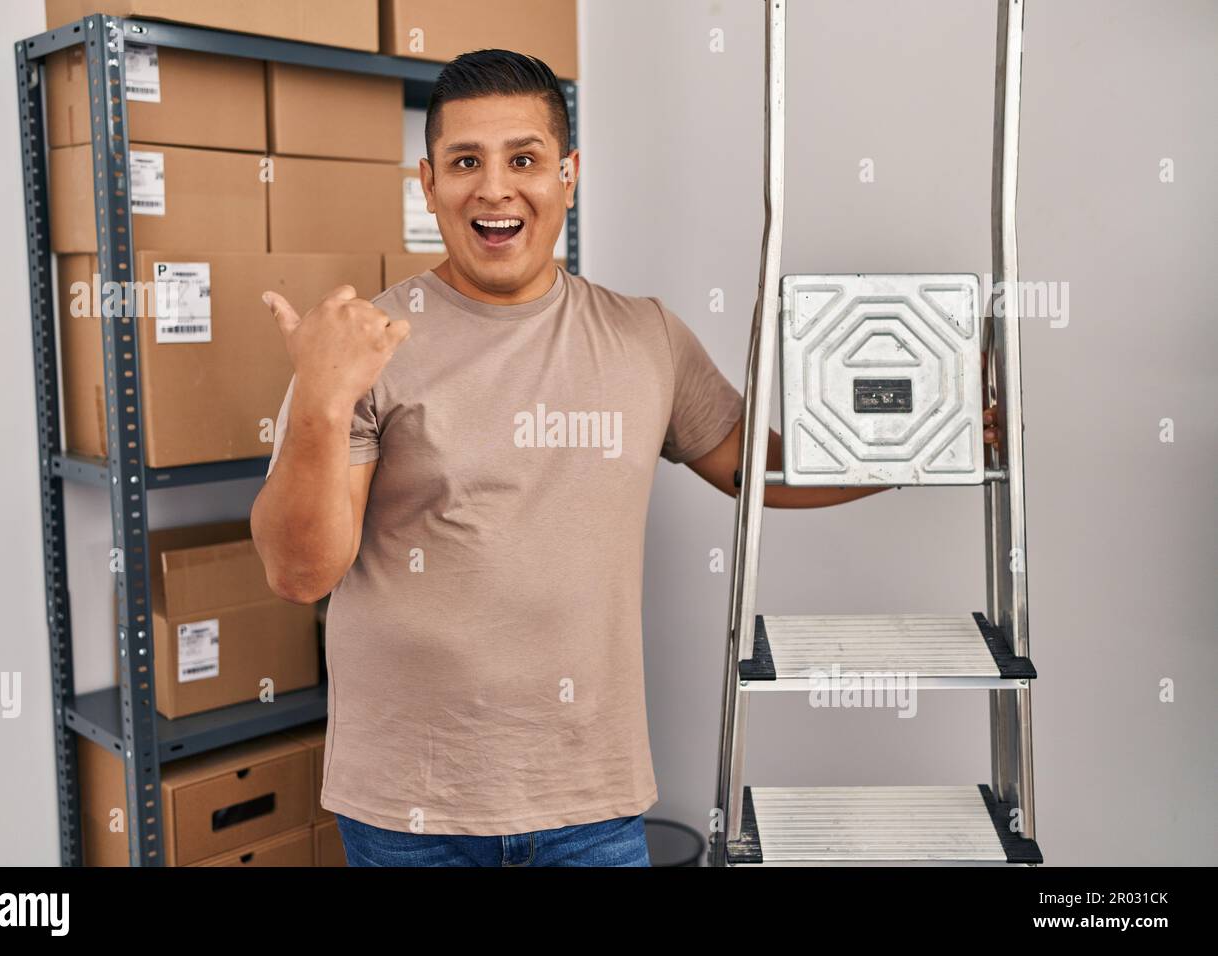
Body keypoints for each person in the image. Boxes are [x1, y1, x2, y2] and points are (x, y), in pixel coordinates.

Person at [250, 49, 1000, 867]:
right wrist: (321, 404)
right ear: (428, 184)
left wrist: (920, 444)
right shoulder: (364, 345)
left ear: (568, 175)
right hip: (411, 809)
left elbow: (762, 474)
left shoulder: (646, 338)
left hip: (590, 804)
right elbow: (301, 574)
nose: (495, 188)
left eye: (525, 159)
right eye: (466, 162)